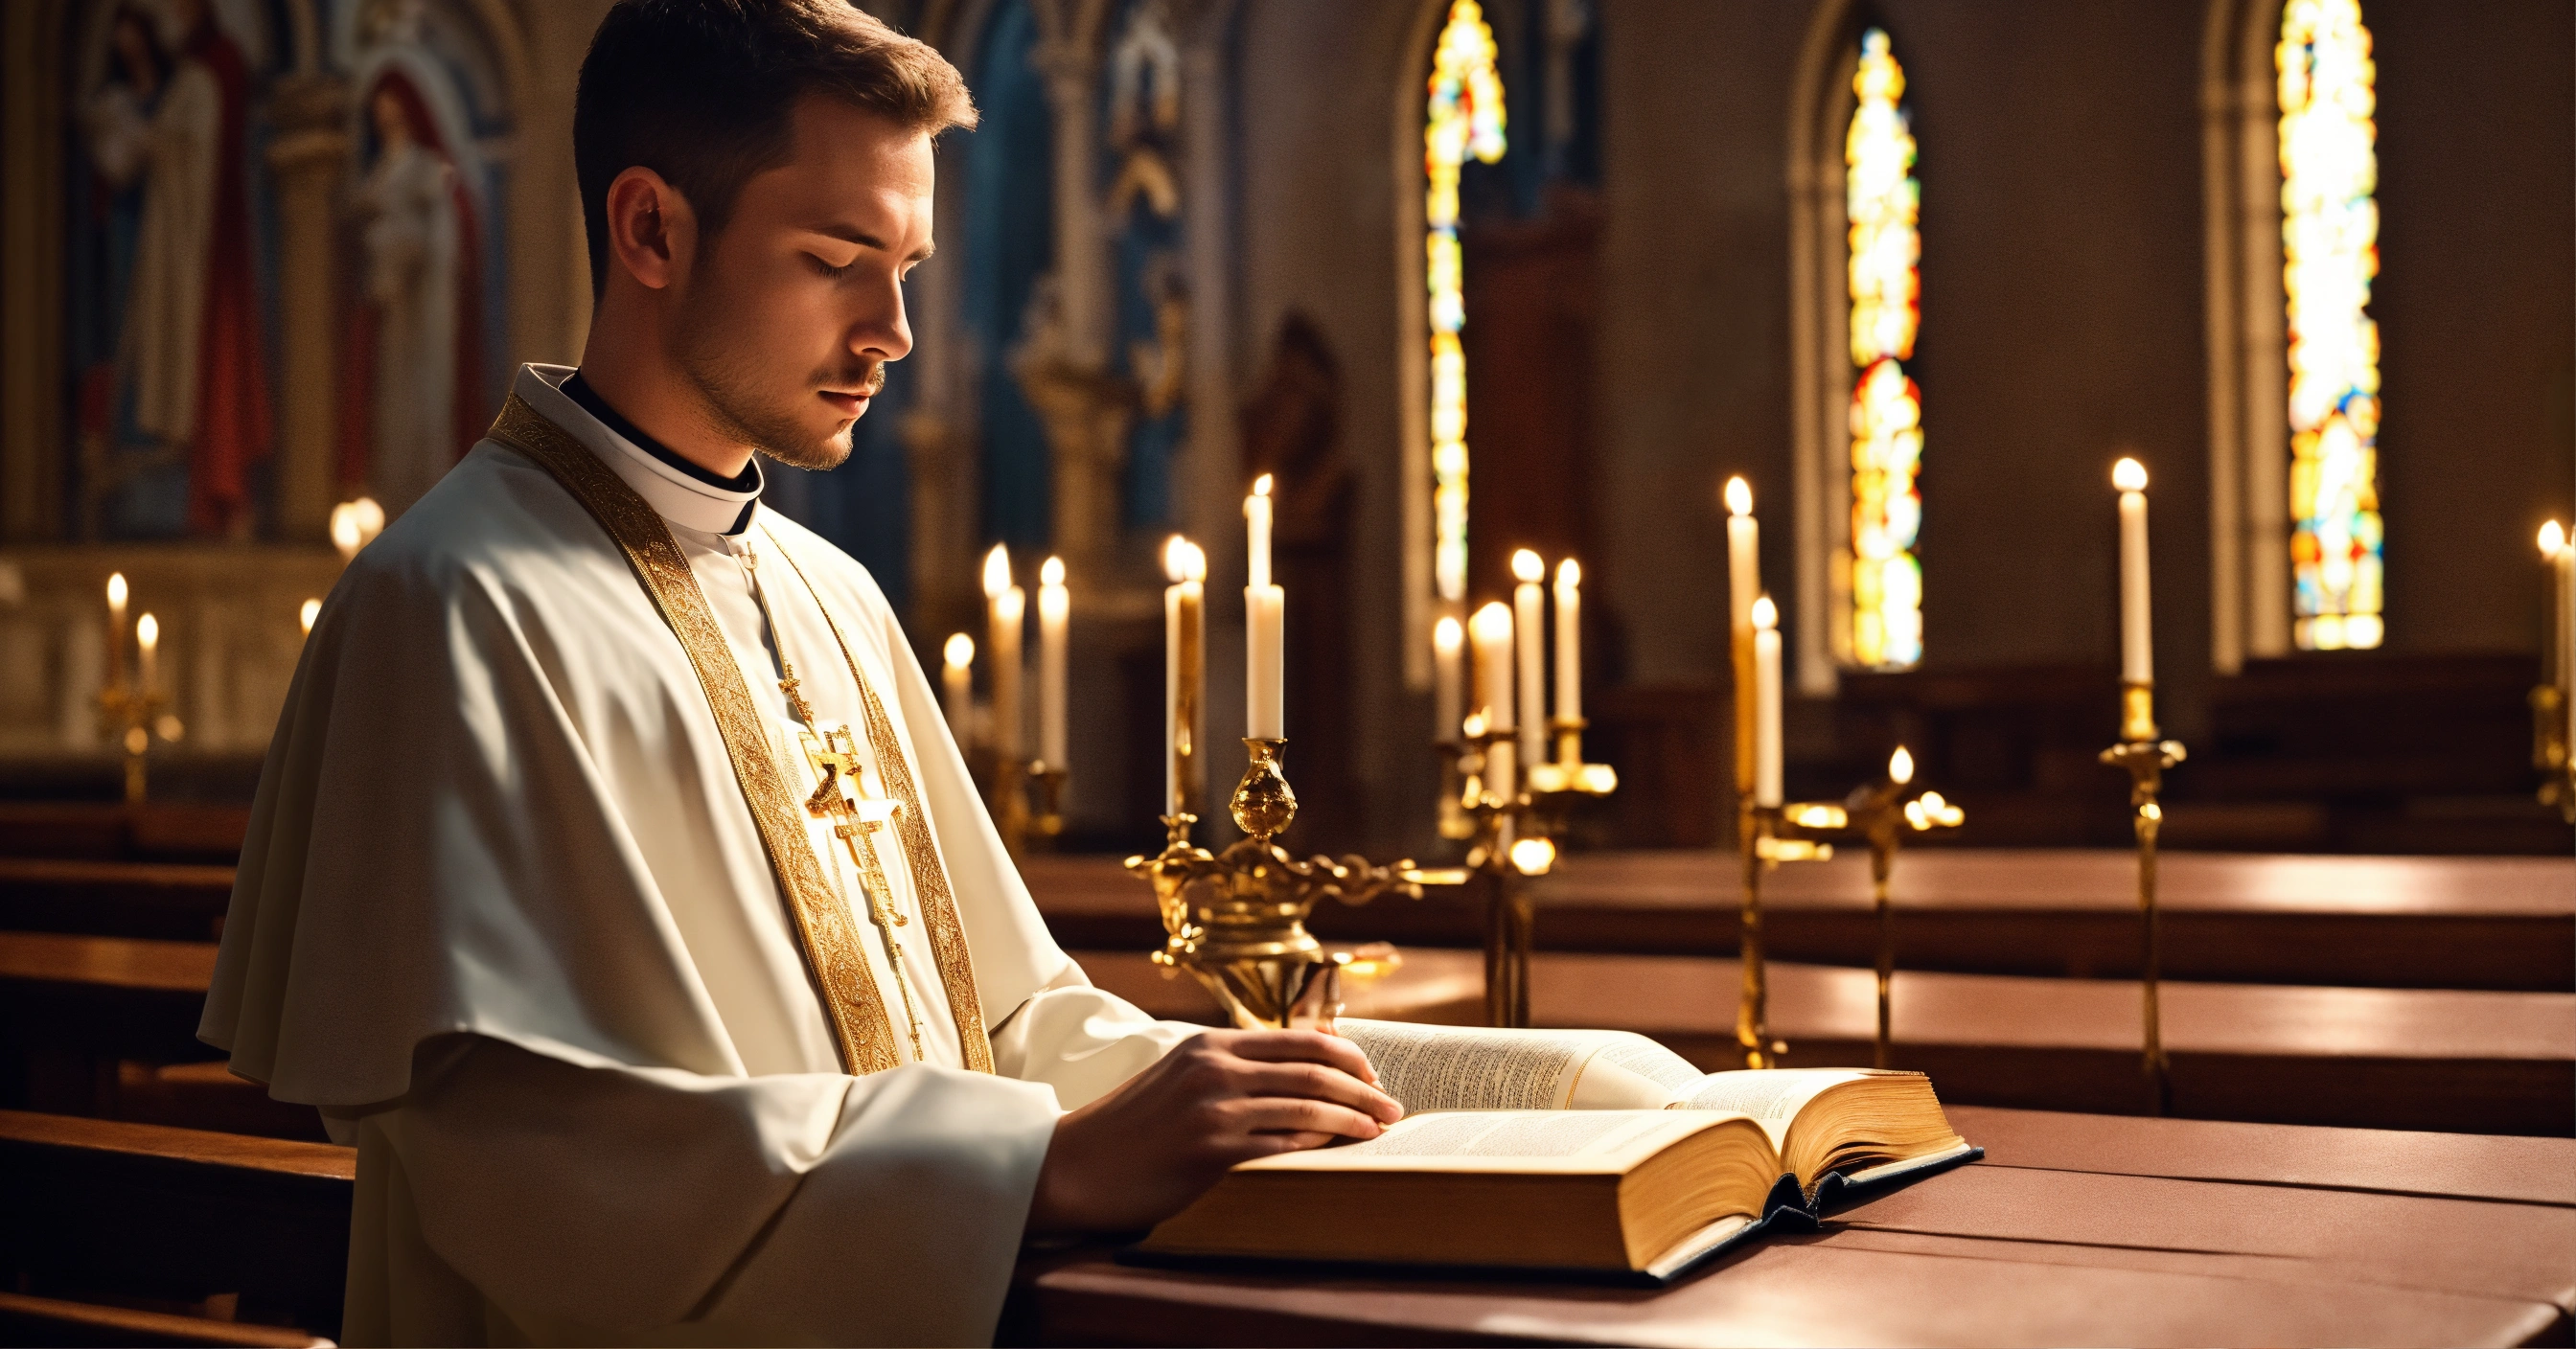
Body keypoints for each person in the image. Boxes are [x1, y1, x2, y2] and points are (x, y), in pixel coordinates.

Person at [199, 3, 1400, 1344]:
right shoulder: (454, 606)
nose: (892, 328)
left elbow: (997, 1017)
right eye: (837, 260)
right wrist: (1040, 1167)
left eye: (909, 267)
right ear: (650, 229)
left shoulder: (833, 596)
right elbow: (522, 1155)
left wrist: (1230, 1091)